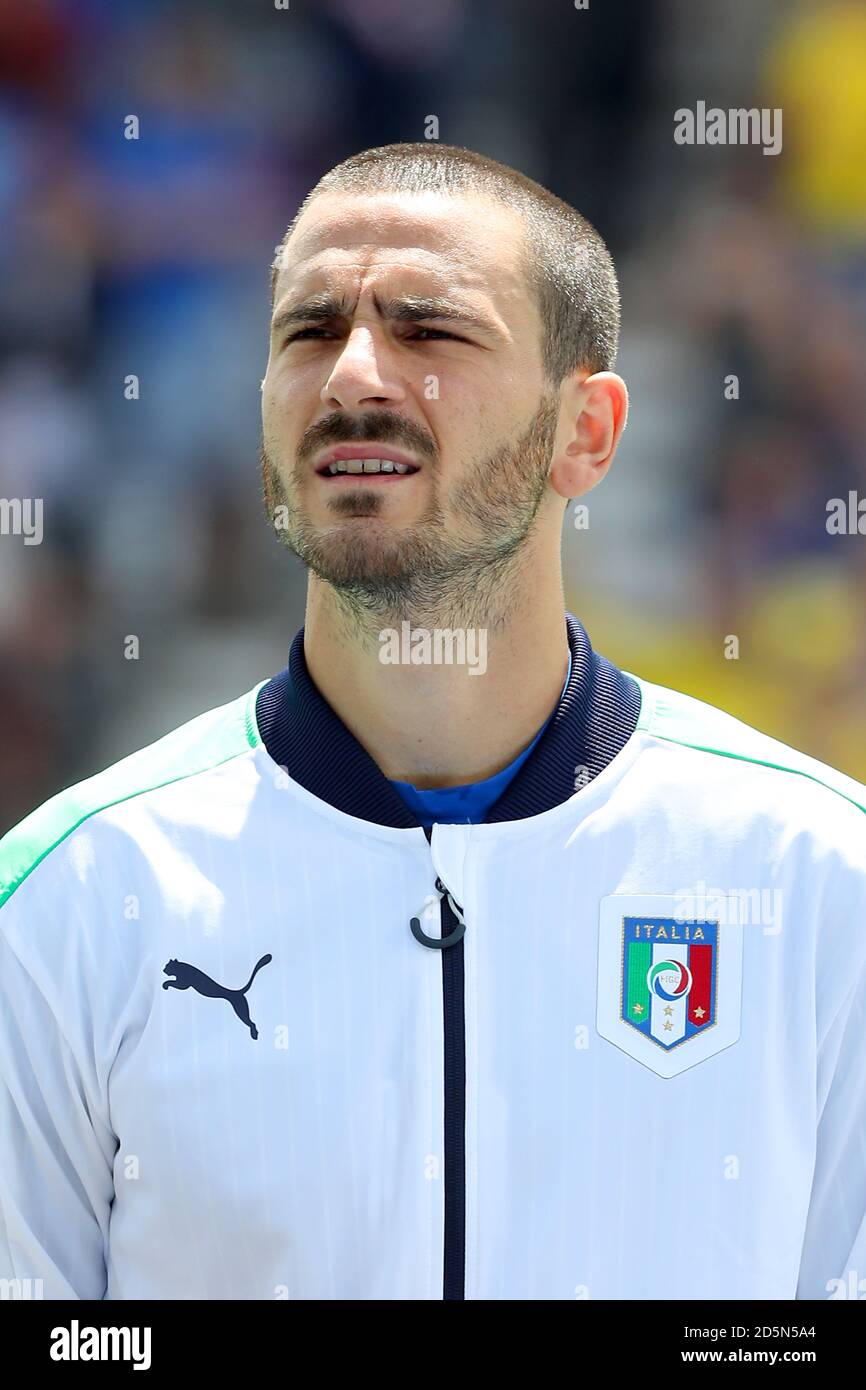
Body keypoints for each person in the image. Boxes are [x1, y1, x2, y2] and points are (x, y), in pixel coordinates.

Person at [1, 143, 864, 1301]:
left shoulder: (817, 882)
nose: (353, 373)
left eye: (429, 329)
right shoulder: (70, 899)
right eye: (307, 331)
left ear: (587, 433)